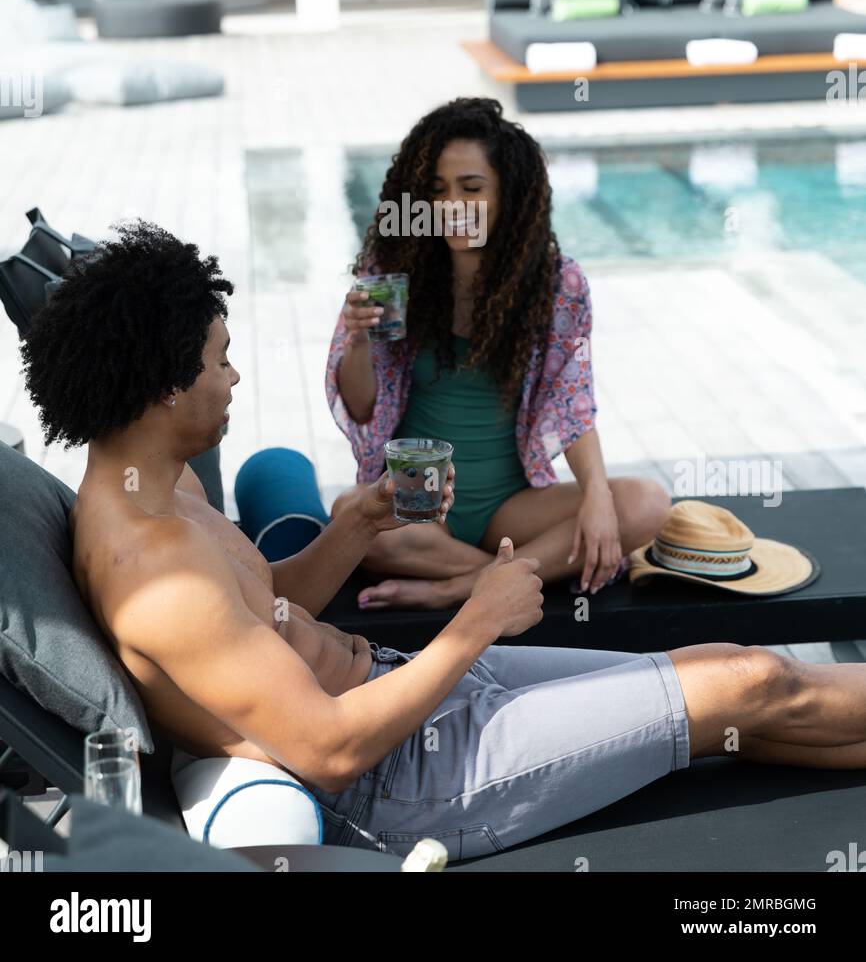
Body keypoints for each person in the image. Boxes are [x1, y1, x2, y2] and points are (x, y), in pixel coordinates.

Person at [21, 221, 866, 863]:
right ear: (165, 385)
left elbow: (271, 606)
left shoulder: (161, 486)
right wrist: (479, 616)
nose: (235, 376)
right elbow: (328, 747)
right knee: (751, 678)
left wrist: (359, 519)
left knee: (727, 672)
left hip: (407, 695)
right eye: (220, 360)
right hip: (409, 781)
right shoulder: (154, 572)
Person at [327, 96, 670, 612]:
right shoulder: (393, 273)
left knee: (645, 503)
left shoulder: (557, 285)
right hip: (423, 500)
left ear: (508, 194)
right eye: (438, 191)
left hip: (512, 506)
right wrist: (357, 341)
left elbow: (573, 403)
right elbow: (361, 407)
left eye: (472, 188)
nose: (452, 207)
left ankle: (452, 586)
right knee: (349, 514)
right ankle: (508, 576)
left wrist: (597, 494)